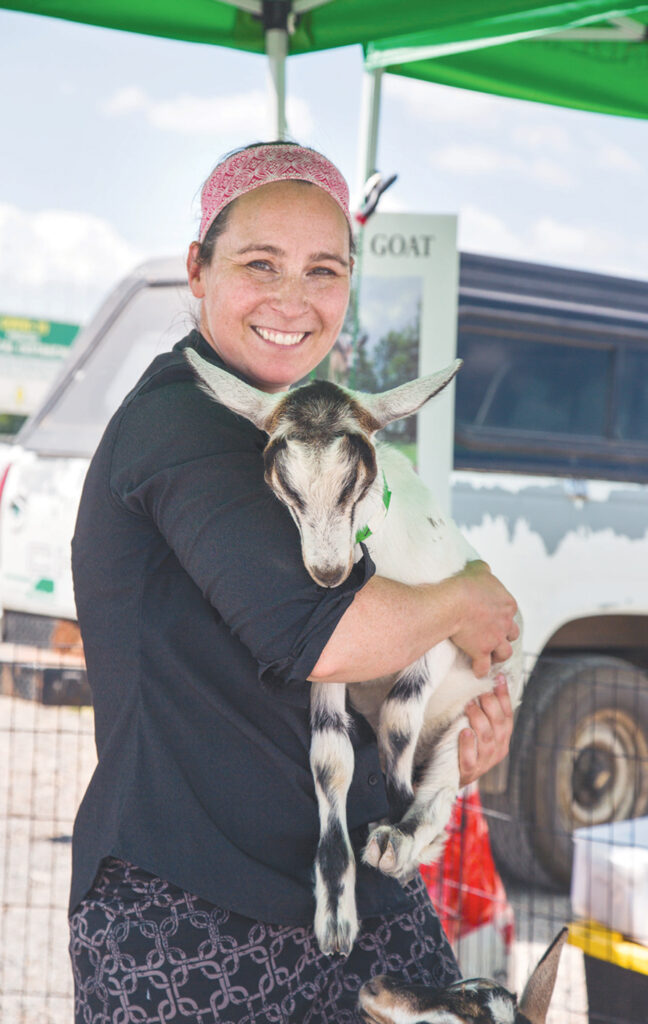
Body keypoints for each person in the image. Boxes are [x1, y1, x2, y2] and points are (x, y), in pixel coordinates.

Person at [68, 142, 518, 1024]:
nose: (292, 300)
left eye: (324, 270)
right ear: (197, 270)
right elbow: (320, 636)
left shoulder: (310, 433)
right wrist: (467, 597)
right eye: (259, 264)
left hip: (347, 897)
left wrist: (440, 751)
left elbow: (356, 680)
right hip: (192, 911)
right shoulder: (184, 424)